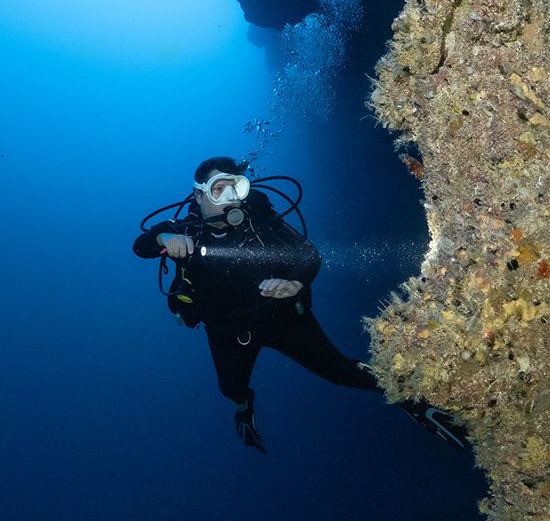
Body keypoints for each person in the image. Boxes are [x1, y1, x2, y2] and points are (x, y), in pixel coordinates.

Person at [133, 155, 465, 453]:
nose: (231, 200)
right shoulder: (183, 229)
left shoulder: (259, 217)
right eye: (220, 190)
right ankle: (245, 407)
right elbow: (142, 244)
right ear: (199, 195)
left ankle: (410, 396)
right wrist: (165, 239)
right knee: (231, 388)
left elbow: (308, 255)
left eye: (237, 188)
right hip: (228, 331)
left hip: (281, 318)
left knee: (338, 370)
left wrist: (294, 283)